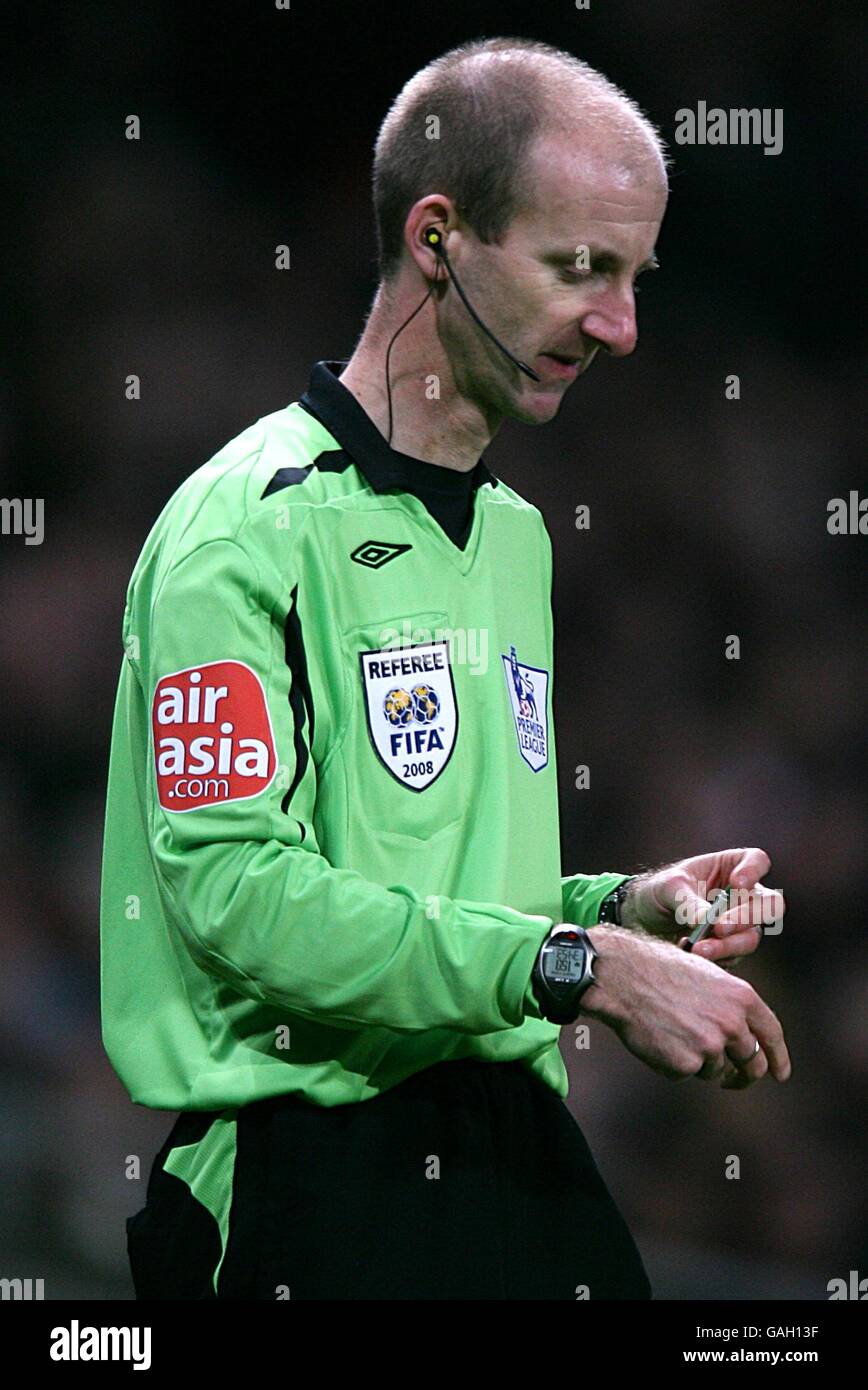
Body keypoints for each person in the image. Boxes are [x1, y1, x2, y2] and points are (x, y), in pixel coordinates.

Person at [100, 36, 791, 1302]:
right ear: (437, 237)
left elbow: (443, 891)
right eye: (581, 268)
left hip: (515, 1160)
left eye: (635, 277)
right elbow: (238, 895)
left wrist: (613, 909)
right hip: (308, 1175)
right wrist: (578, 969)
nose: (620, 326)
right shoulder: (242, 529)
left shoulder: (514, 535)